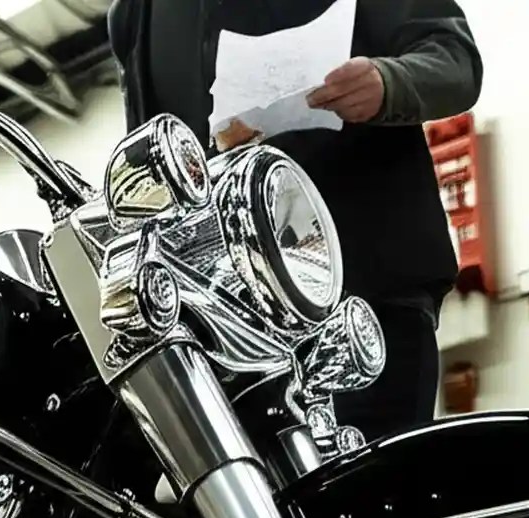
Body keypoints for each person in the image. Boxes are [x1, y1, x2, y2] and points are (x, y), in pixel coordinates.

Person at [108, 0, 483, 440]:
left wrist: (388, 81)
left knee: (371, 495)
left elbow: (454, 58)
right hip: (223, 334)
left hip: (363, 309)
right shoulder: (134, 13)